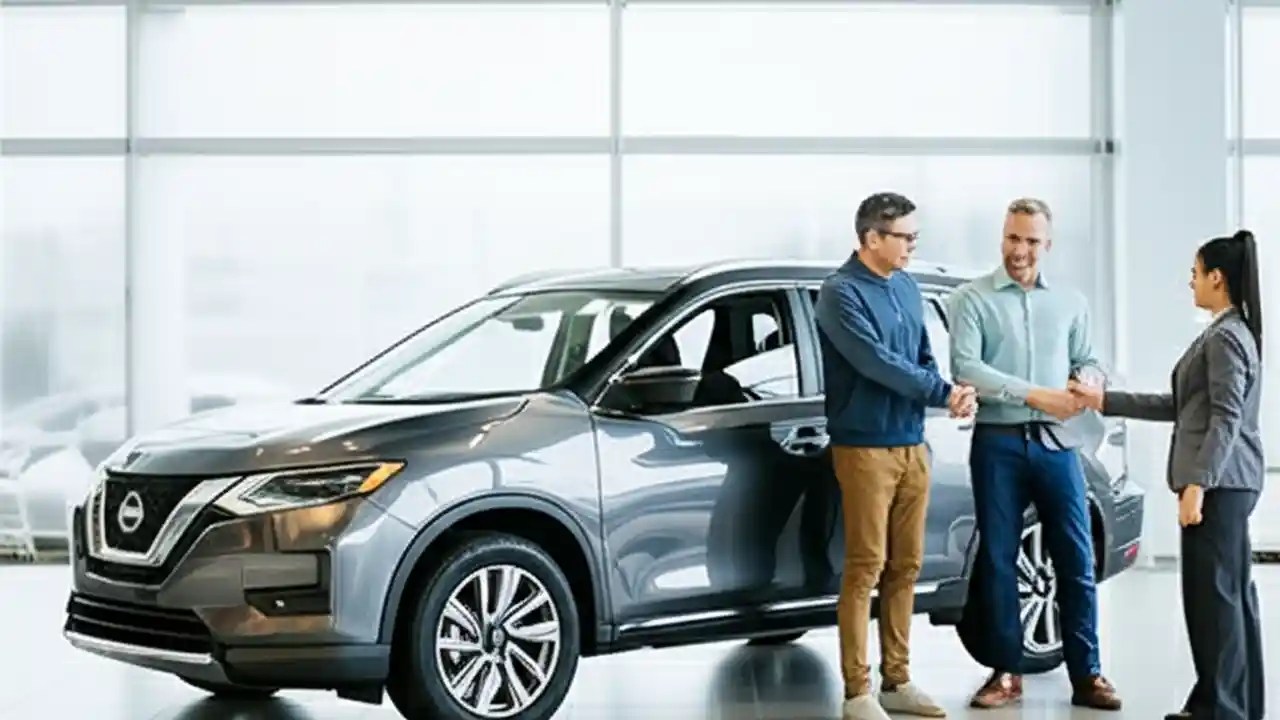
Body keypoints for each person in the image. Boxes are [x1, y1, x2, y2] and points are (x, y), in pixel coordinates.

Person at [1071, 230, 1266, 720]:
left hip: (1220, 484)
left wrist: (1197, 484)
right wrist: (1104, 400)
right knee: (1229, 597)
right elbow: (1181, 406)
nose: (1190, 283)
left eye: (1195, 274)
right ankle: (1228, 703)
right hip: (1230, 481)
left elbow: (1226, 417)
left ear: (1217, 278)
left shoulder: (1225, 337)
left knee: (1214, 601)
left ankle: (1221, 709)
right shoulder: (1229, 331)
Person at [946, 197, 1122, 711]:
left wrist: (1087, 379)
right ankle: (1006, 672)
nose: (1018, 249)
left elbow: (1088, 359)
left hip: (1057, 446)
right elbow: (967, 367)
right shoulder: (971, 299)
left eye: (1029, 240)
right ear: (1002, 236)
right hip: (997, 444)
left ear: (1048, 244)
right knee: (999, 558)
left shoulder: (1070, 302)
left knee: (1076, 554)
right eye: (1011, 237)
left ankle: (1087, 673)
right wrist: (1037, 394)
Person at [814, 191, 976, 720]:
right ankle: (857, 692)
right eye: (904, 236)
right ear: (871, 239)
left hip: (912, 447)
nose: (912, 245)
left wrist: (947, 388)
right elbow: (875, 362)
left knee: (906, 566)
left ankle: (897, 680)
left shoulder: (906, 286)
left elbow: (922, 355)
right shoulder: (839, 294)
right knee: (866, 567)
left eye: (913, 236)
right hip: (864, 449)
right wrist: (941, 392)